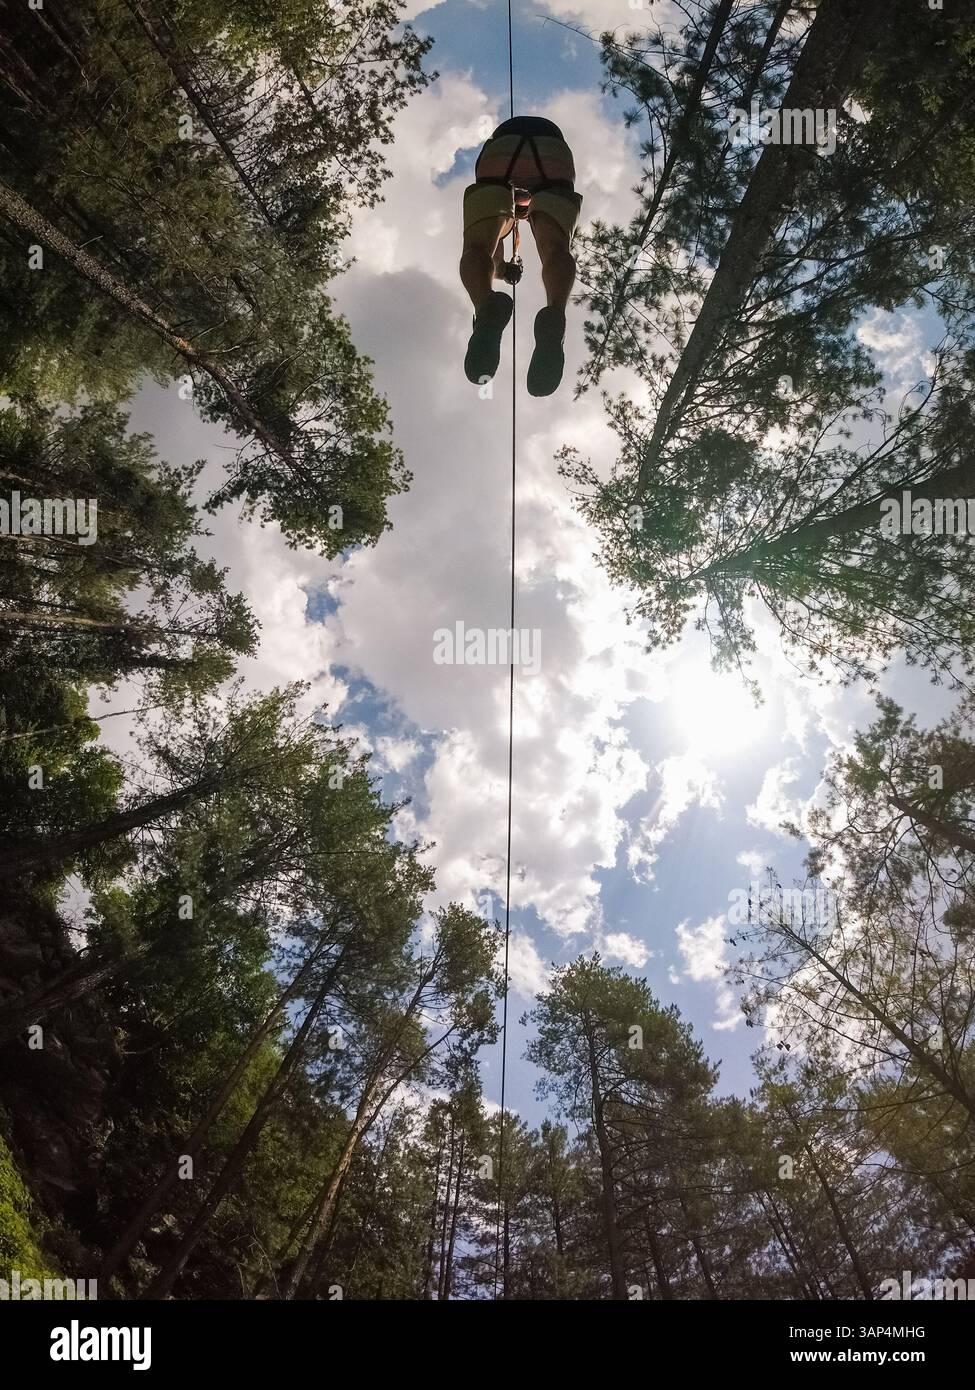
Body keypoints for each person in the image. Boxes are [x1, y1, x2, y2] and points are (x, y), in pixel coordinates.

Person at [460, 115, 582, 397]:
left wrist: (502, 272)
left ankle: (485, 306)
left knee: (477, 246)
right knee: (556, 249)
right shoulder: (519, 218)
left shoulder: (509, 224)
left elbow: (490, 258)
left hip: (502, 150)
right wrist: (503, 269)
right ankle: (556, 312)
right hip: (553, 151)